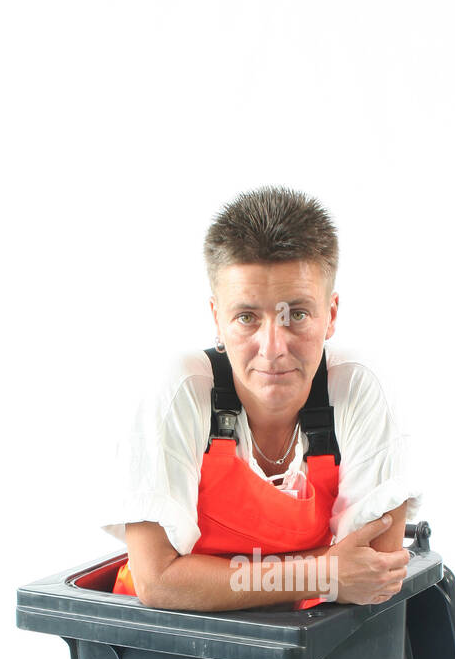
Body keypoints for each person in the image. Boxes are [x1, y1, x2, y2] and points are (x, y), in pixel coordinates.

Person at [102, 186, 422, 611]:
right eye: (247, 317)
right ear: (217, 318)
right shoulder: (179, 391)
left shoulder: (357, 390)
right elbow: (159, 582)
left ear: (331, 315)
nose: (272, 348)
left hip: (300, 653)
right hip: (164, 652)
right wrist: (322, 573)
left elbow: (373, 574)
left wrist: (206, 575)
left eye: (298, 314)